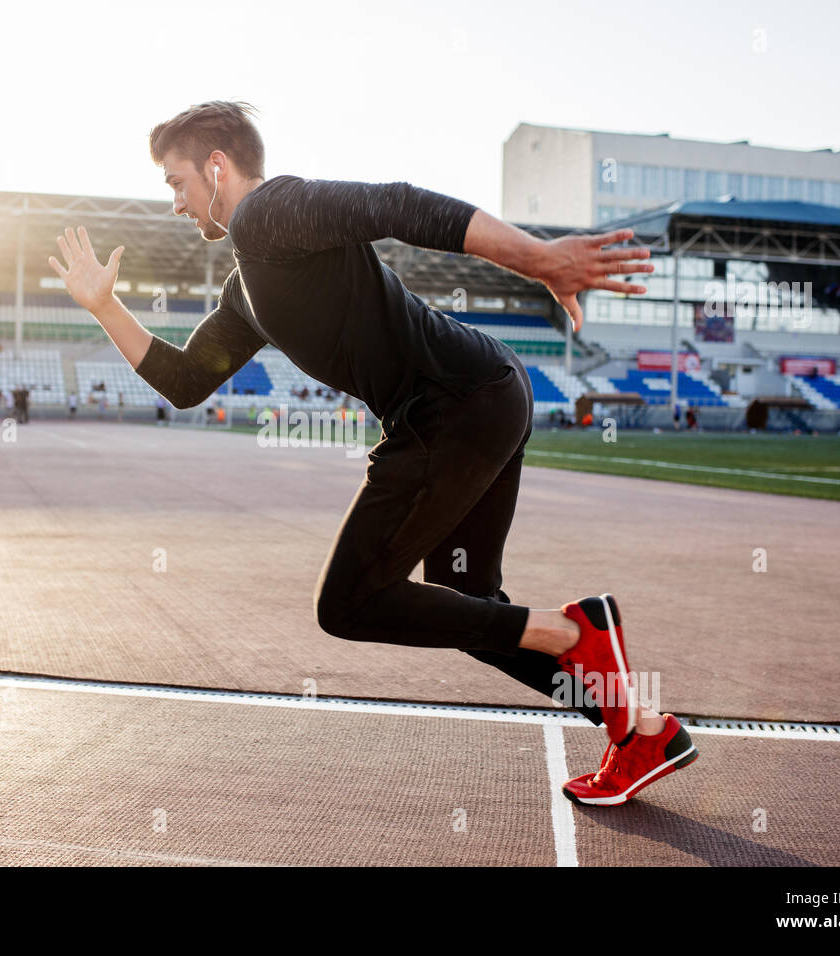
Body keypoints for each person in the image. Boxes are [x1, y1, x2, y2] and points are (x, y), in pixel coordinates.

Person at [48, 101, 688, 806]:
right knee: (468, 607)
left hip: (449, 408)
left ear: (217, 167)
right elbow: (187, 381)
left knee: (351, 602)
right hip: (486, 391)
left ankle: (575, 631)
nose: (173, 202)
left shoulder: (271, 214)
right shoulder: (247, 288)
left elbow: (397, 205)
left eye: (176, 182)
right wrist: (106, 306)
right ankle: (640, 729)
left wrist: (537, 259)